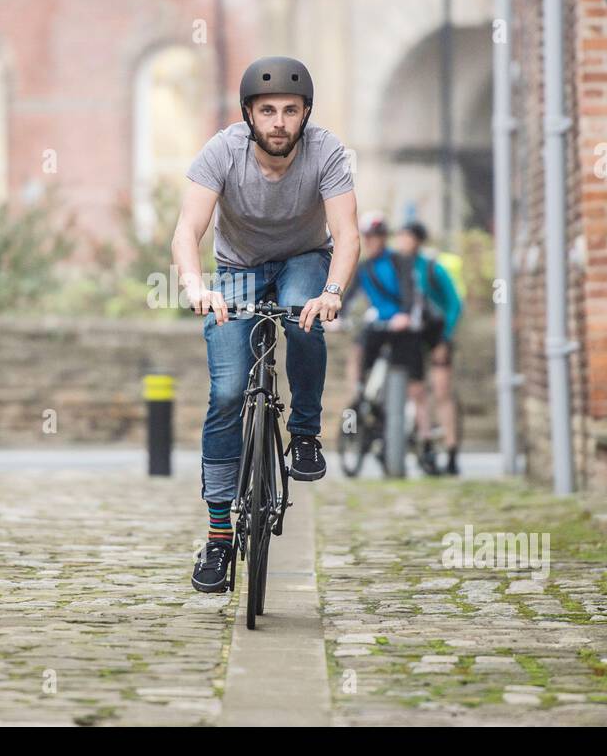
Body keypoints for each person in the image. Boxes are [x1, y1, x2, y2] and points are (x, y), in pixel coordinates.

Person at [172, 56, 360, 593]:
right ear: (249, 115)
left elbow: (347, 234)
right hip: (236, 270)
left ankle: (303, 434)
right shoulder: (222, 152)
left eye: (291, 111)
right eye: (268, 110)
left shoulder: (327, 153)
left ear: (306, 115)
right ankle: (218, 537)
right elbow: (188, 228)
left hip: (305, 259)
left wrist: (332, 292)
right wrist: (194, 287)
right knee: (228, 392)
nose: (279, 122)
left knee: (304, 319)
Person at [339, 212, 427, 415]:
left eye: (375, 236)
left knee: (416, 385)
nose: (370, 241)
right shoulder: (363, 268)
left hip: (403, 325)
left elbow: (409, 289)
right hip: (378, 325)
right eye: (367, 236)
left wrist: (405, 314)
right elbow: (349, 296)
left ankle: (425, 437)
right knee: (357, 353)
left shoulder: (398, 260)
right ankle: (358, 397)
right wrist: (338, 316)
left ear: (384, 237)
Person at [395, 221, 463, 476]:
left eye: (405, 236)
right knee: (418, 392)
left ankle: (452, 450)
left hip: (437, 334)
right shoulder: (399, 268)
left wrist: (445, 338)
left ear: (417, 240)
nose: (400, 241)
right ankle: (426, 447)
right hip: (412, 335)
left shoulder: (433, 267)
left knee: (443, 392)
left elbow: (455, 304)